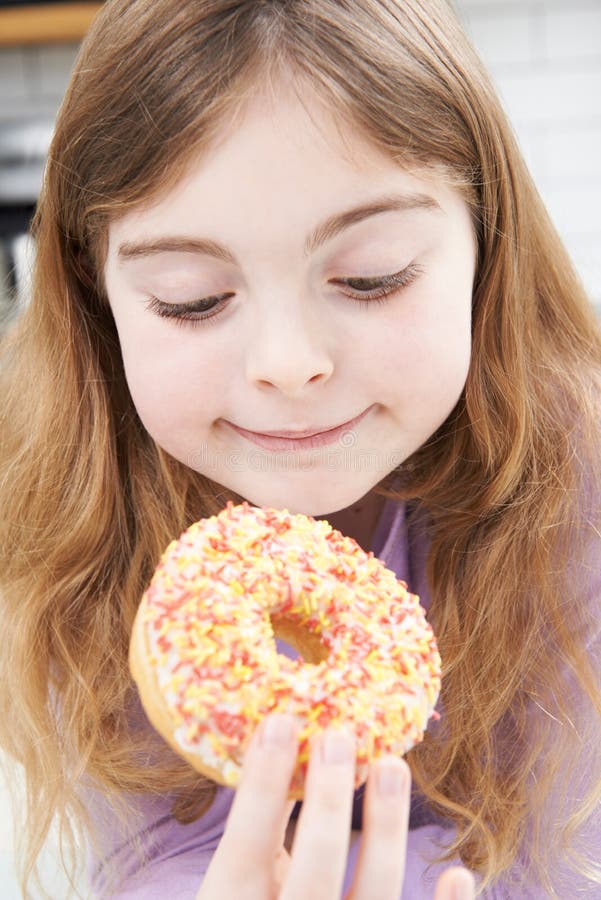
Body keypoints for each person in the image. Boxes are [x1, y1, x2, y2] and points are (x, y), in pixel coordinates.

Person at [0, 0, 599, 897]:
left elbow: (571, 849)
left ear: (486, 245)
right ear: (97, 295)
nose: (289, 365)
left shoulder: (574, 479)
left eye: (372, 276)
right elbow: (148, 846)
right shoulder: (69, 507)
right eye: (190, 298)